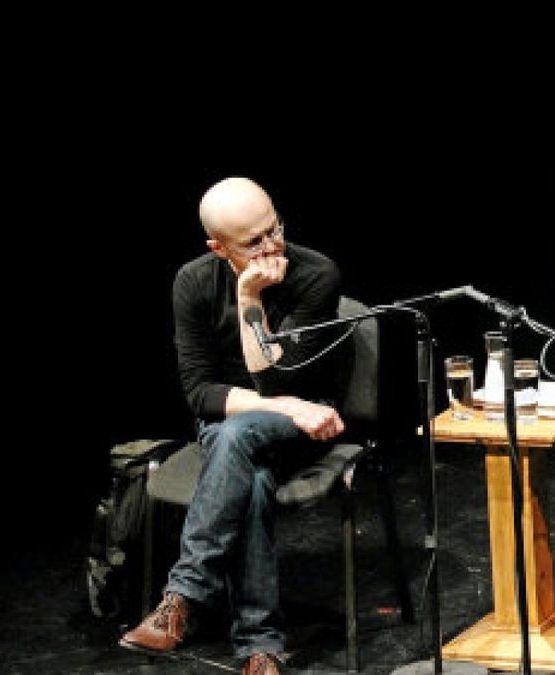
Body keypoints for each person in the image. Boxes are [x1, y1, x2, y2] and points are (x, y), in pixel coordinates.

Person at [119, 177, 347, 675]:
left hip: (308, 428)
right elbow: (201, 394)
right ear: (218, 248)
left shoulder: (316, 274)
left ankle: (184, 594)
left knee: (237, 436)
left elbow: (275, 383)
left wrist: (251, 305)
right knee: (251, 473)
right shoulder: (193, 282)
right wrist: (290, 405)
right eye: (253, 242)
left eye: (275, 230)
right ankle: (260, 646)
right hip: (250, 424)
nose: (271, 247)